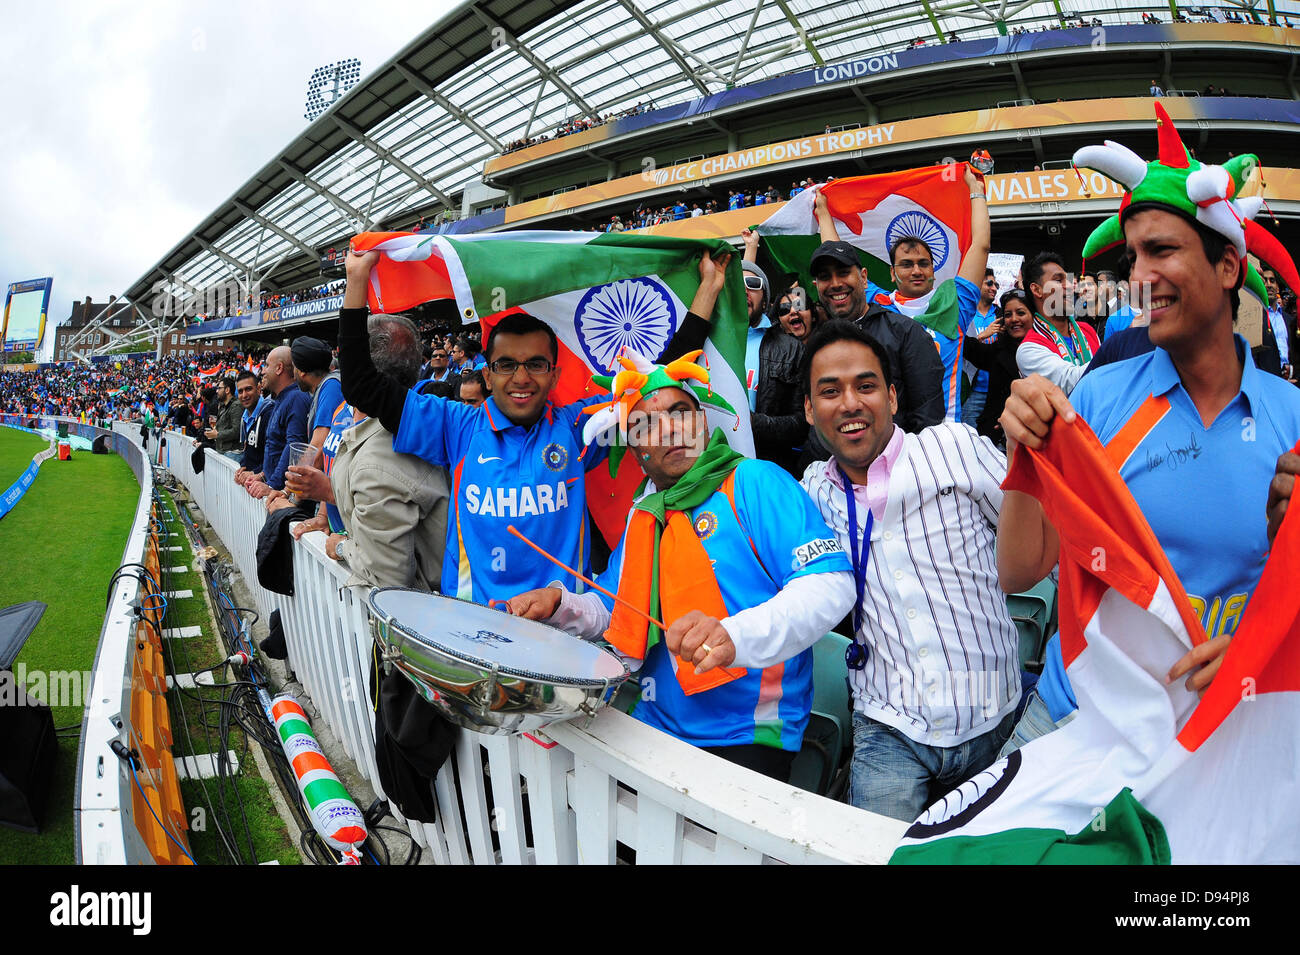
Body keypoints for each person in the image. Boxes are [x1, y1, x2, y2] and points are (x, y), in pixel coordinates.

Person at [997, 106, 1300, 753]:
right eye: (1133, 254)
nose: (1138, 275)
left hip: (1219, 727)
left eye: (1161, 250)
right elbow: (1021, 570)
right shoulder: (1099, 399)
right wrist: (1020, 451)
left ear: (1227, 268)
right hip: (1072, 715)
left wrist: (1259, 651)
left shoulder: (1291, 419)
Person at [506, 349, 854, 781]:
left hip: (746, 735)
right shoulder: (644, 511)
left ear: (702, 423)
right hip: (654, 723)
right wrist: (560, 604)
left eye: (680, 412)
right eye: (645, 424)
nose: (669, 429)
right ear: (634, 449)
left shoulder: (754, 482)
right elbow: (618, 608)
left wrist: (733, 635)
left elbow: (830, 585)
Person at [338, 246, 734, 605]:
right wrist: (356, 281)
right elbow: (361, 386)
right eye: (507, 364)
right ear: (488, 376)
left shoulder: (581, 428)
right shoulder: (454, 426)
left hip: (565, 632)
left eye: (536, 365)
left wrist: (708, 292)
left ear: (555, 375)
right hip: (475, 632)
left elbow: (658, 380)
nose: (521, 377)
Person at [798, 320, 1019, 819]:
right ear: (810, 411)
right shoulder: (809, 494)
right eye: (830, 392)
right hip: (888, 726)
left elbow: (1035, 531)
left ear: (893, 398)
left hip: (997, 718)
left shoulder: (954, 448)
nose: (850, 403)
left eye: (866, 385)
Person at [814, 165, 991, 421]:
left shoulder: (955, 303)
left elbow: (980, 246)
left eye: (923, 263)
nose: (916, 270)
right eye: (906, 265)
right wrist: (823, 212)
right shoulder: (879, 305)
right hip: (890, 436)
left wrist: (975, 192)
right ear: (892, 274)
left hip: (944, 435)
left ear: (934, 269)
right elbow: (840, 261)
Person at [322, 314, 449, 591]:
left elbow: (387, 576)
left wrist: (341, 547)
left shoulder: (376, 463)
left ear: (356, 371)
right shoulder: (428, 425)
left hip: (416, 619)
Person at [805, 240, 945, 435]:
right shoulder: (816, 343)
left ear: (863, 278)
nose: (835, 284)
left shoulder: (905, 332)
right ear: (817, 286)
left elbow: (928, 417)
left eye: (844, 273)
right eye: (825, 277)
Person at [739, 232, 808, 475]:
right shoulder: (707, 343)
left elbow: (804, 423)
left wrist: (755, 423)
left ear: (765, 298)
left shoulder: (791, 349)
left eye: (753, 285)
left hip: (770, 470)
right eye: (736, 284)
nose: (744, 290)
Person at [1014, 251, 1100, 395]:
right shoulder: (1029, 349)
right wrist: (1118, 346)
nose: (1070, 286)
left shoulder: (1087, 330)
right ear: (1037, 290)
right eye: (1059, 280)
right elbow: (1071, 381)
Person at [962, 288, 1033, 445]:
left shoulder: (1048, 350)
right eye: (1008, 315)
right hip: (996, 439)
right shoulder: (997, 350)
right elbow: (966, 345)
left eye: (1020, 313)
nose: (1014, 319)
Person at [244, 345, 311, 499]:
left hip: (283, 496)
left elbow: (294, 447)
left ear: (279, 368)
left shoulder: (296, 399)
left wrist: (272, 485)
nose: (262, 371)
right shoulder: (281, 399)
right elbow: (276, 448)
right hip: (276, 491)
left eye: (267, 365)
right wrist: (262, 475)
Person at [962, 268, 1000, 428]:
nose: (994, 288)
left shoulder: (1001, 314)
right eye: (989, 283)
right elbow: (960, 346)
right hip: (973, 392)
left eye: (996, 284)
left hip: (996, 392)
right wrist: (982, 335)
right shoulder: (966, 315)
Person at [233, 369, 273, 479]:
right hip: (253, 484)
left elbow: (274, 455)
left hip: (267, 485)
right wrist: (244, 466)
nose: (244, 395)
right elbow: (250, 451)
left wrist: (257, 473)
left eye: (248, 389)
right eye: (240, 391)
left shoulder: (270, 414)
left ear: (259, 389)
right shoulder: (245, 417)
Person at [1262, 265, 1296, 381]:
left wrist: (1294, 374)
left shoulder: (1290, 320)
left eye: (1272, 280)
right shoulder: (1256, 320)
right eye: (1264, 280)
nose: (1268, 284)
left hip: (1292, 384)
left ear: (1277, 288)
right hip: (1268, 383)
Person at [203, 376, 241, 456]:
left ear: (227, 390)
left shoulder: (236, 406)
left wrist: (217, 434)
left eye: (219, 388)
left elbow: (236, 431)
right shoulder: (222, 406)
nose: (217, 391)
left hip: (231, 453)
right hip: (222, 451)